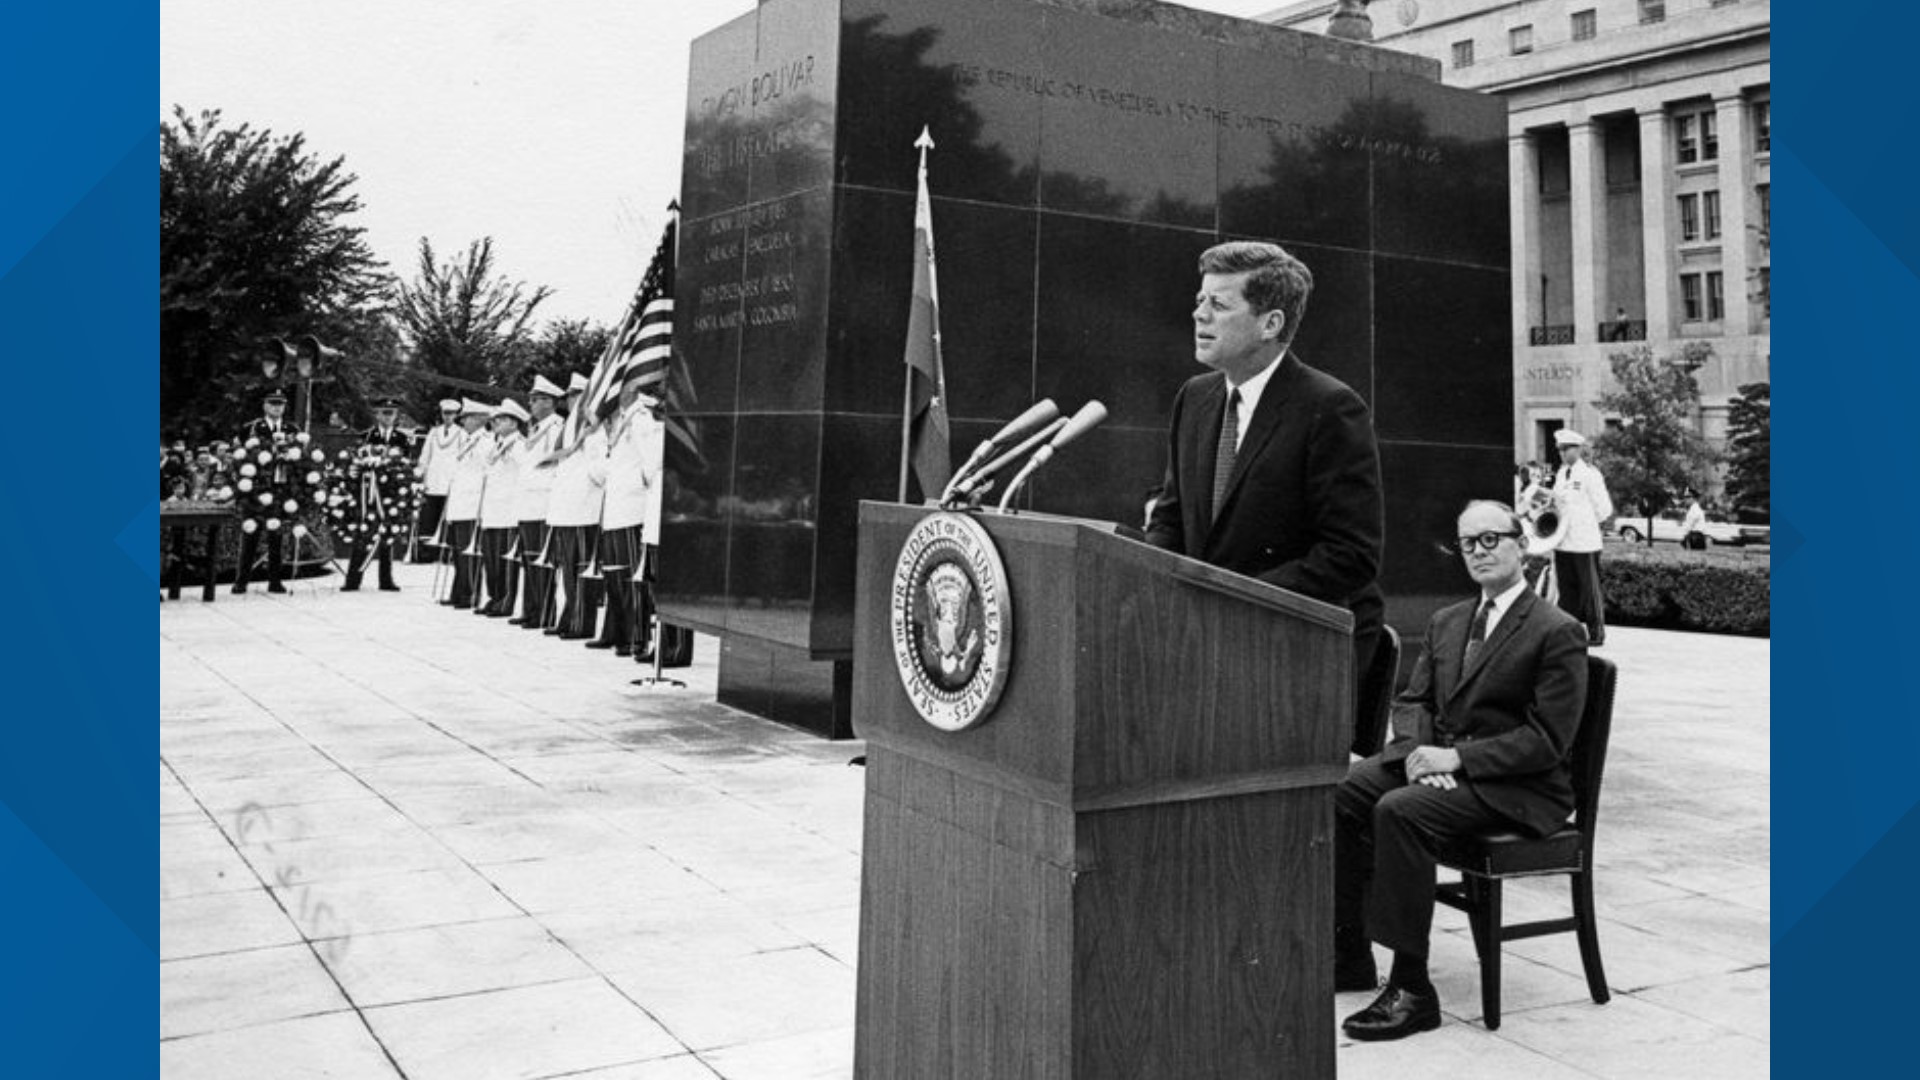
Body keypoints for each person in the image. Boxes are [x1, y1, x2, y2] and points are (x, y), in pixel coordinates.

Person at [1334, 499, 1589, 1042]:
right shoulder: (1448, 620)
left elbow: (1548, 739)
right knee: (1348, 790)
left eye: (1491, 538)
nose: (1478, 551)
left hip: (1519, 788)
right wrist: (1422, 756)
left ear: (1522, 544)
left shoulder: (1557, 630)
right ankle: (1350, 950)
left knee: (1398, 811)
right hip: (1447, 769)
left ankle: (1412, 989)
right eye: (1467, 543)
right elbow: (1412, 701)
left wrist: (1458, 760)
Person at [1144, 240, 1386, 754]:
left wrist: (1233, 601)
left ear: (1270, 323)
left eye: (1219, 304)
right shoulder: (1195, 397)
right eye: (1198, 300)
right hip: (1194, 653)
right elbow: (1170, 518)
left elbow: (1350, 555)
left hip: (1286, 663)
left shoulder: (1330, 408)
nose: (1198, 314)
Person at [587, 377, 660, 656]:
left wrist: (636, 486)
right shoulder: (622, 420)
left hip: (631, 509)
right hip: (616, 509)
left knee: (633, 580)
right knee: (615, 578)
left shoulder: (641, 418)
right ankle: (621, 634)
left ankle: (636, 637)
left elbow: (651, 463)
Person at [541, 375, 608, 640]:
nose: (572, 401)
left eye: (577, 395)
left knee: (582, 569)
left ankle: (583, 622)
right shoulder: (568, 429)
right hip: (565, 509)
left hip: (584, 508)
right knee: (567, 570)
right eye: (569, 396)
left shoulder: (594, 430)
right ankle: (568, 617)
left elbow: (600, 468)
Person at [511, 376, 567, 627]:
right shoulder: (535, 428)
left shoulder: (556, 428)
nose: (531, 404)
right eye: (532, 400)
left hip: (543, 502)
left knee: (541, 561)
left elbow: (555, 465)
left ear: (549, 402)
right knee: (528, 560)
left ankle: (544, 613)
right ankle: (531, 609)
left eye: (536, 400)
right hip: (527, 502)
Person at [340, 397, 411, 593]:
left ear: (396, 416)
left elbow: (406, 466)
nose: (387, 417)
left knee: (387, 535)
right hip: (367, 495)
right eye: (384, 413)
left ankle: (386, 580)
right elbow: (355, 462)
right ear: (377, 414)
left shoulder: (402, 439)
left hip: (390, 494)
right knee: (363, 533)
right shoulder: (366, 436)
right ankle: (353, 580)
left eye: (391, 413)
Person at [1551, 429, 1613, 645]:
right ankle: (1569, 633)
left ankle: (1596, 633)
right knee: (1567, 591)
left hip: (1584, 542)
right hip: (1563, 541)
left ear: (1577, 449)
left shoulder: (1590, 474)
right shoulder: (1561, 474)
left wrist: (1584, 522)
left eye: (1565, 449)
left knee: (1589, 591)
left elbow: (1604, 509)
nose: (1561, 453)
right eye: (1559, 449)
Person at [233, 389, 294, 594]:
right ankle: (241, 581)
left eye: (280, 404)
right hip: (256, 489)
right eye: (273, 403)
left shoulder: (292, 429)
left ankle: (275, 580)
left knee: (276, 536)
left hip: (280, 487)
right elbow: (241, 457)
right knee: (251, 534)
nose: (277, 407)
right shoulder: (251, 428)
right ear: (264, 405)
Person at [477, 399, 529, 617]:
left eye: (502, 419)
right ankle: (494, 597)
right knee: (491, 559)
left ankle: (506, 601)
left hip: (508, 511)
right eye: (496, 419)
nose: (496, 422)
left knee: (506, 560)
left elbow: (525, 469)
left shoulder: (520, 444)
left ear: (515, 423)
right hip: (492, 511)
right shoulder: (496, 444)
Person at [440, 399, 492, 608]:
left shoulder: (486, 442)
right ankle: (458, 591)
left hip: (472, 503)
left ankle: (469, 594)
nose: (463, 422)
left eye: (468, 418)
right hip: (459, 503)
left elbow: (484, 473)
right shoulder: (468, 440)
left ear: (480, 419)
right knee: (458, 552)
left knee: (468, 553)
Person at [414, 399, 463, 563]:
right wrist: (421, 473)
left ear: (456, 415)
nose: (448, 417)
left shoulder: (461, 433)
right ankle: (426, 553)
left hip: (451, 481)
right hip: (433, 480)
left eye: (451, 414)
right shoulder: (434, 432)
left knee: (448, 519)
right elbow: (425, 455)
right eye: (445, 413)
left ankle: (447, 553)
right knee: (429, 518)